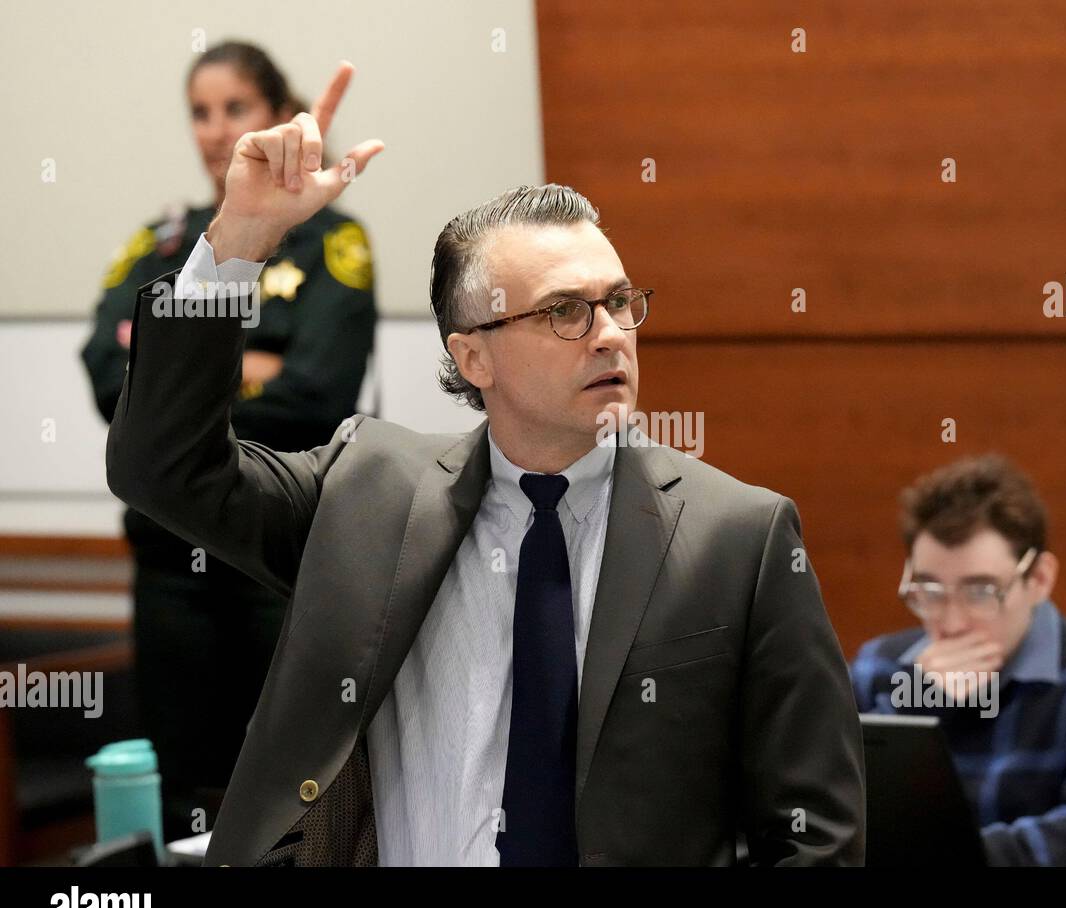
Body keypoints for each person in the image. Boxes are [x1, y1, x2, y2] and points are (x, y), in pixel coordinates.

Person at [102, 61, 865, 866]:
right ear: (473, 358)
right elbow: (163, 468)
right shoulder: (366, 493)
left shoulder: (738, 537)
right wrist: (241, 241)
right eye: (566, 311)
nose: (610, 333)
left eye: (620, 302)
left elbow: (815, 834)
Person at [80, 42, 378, 842]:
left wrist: (181, 376)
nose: (215, 131)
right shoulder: (162, 242)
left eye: (235, 109)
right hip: (165, 561)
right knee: (183, 788)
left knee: (292, 789)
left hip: (272, 553)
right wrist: (247, 367)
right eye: (200, 112)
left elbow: (318, 391)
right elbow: (109, 374)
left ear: (278, 115)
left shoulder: (331, 239)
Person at [851, 454, 1066, 865]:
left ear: (1039, 579)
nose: (951, 623)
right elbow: (831, 810)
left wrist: (953, 856)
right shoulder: (878, 668)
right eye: (929, 592)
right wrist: (910, 705)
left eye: (980, 591)